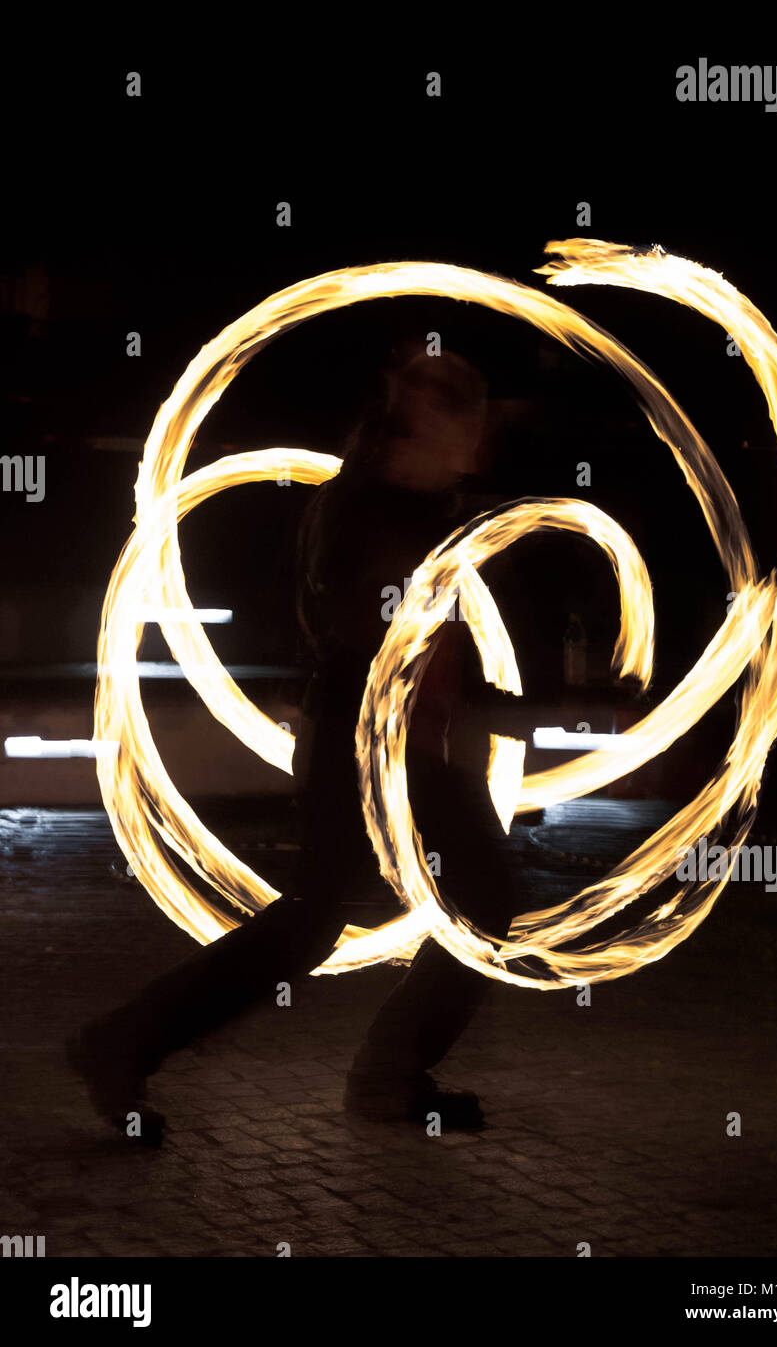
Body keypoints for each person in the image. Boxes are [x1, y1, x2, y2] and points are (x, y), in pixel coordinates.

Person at [66, 346, 519, 1145]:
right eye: (470, 424)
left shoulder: (384, 504)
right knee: (459, 895)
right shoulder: (386, 517)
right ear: (426, 429)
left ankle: (126, 1043)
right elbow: (410, 666)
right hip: (380, 746)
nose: (481, 444)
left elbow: (395, 652)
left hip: (375, 738)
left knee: (332, 914)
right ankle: (377, 1077)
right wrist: (557, 709)